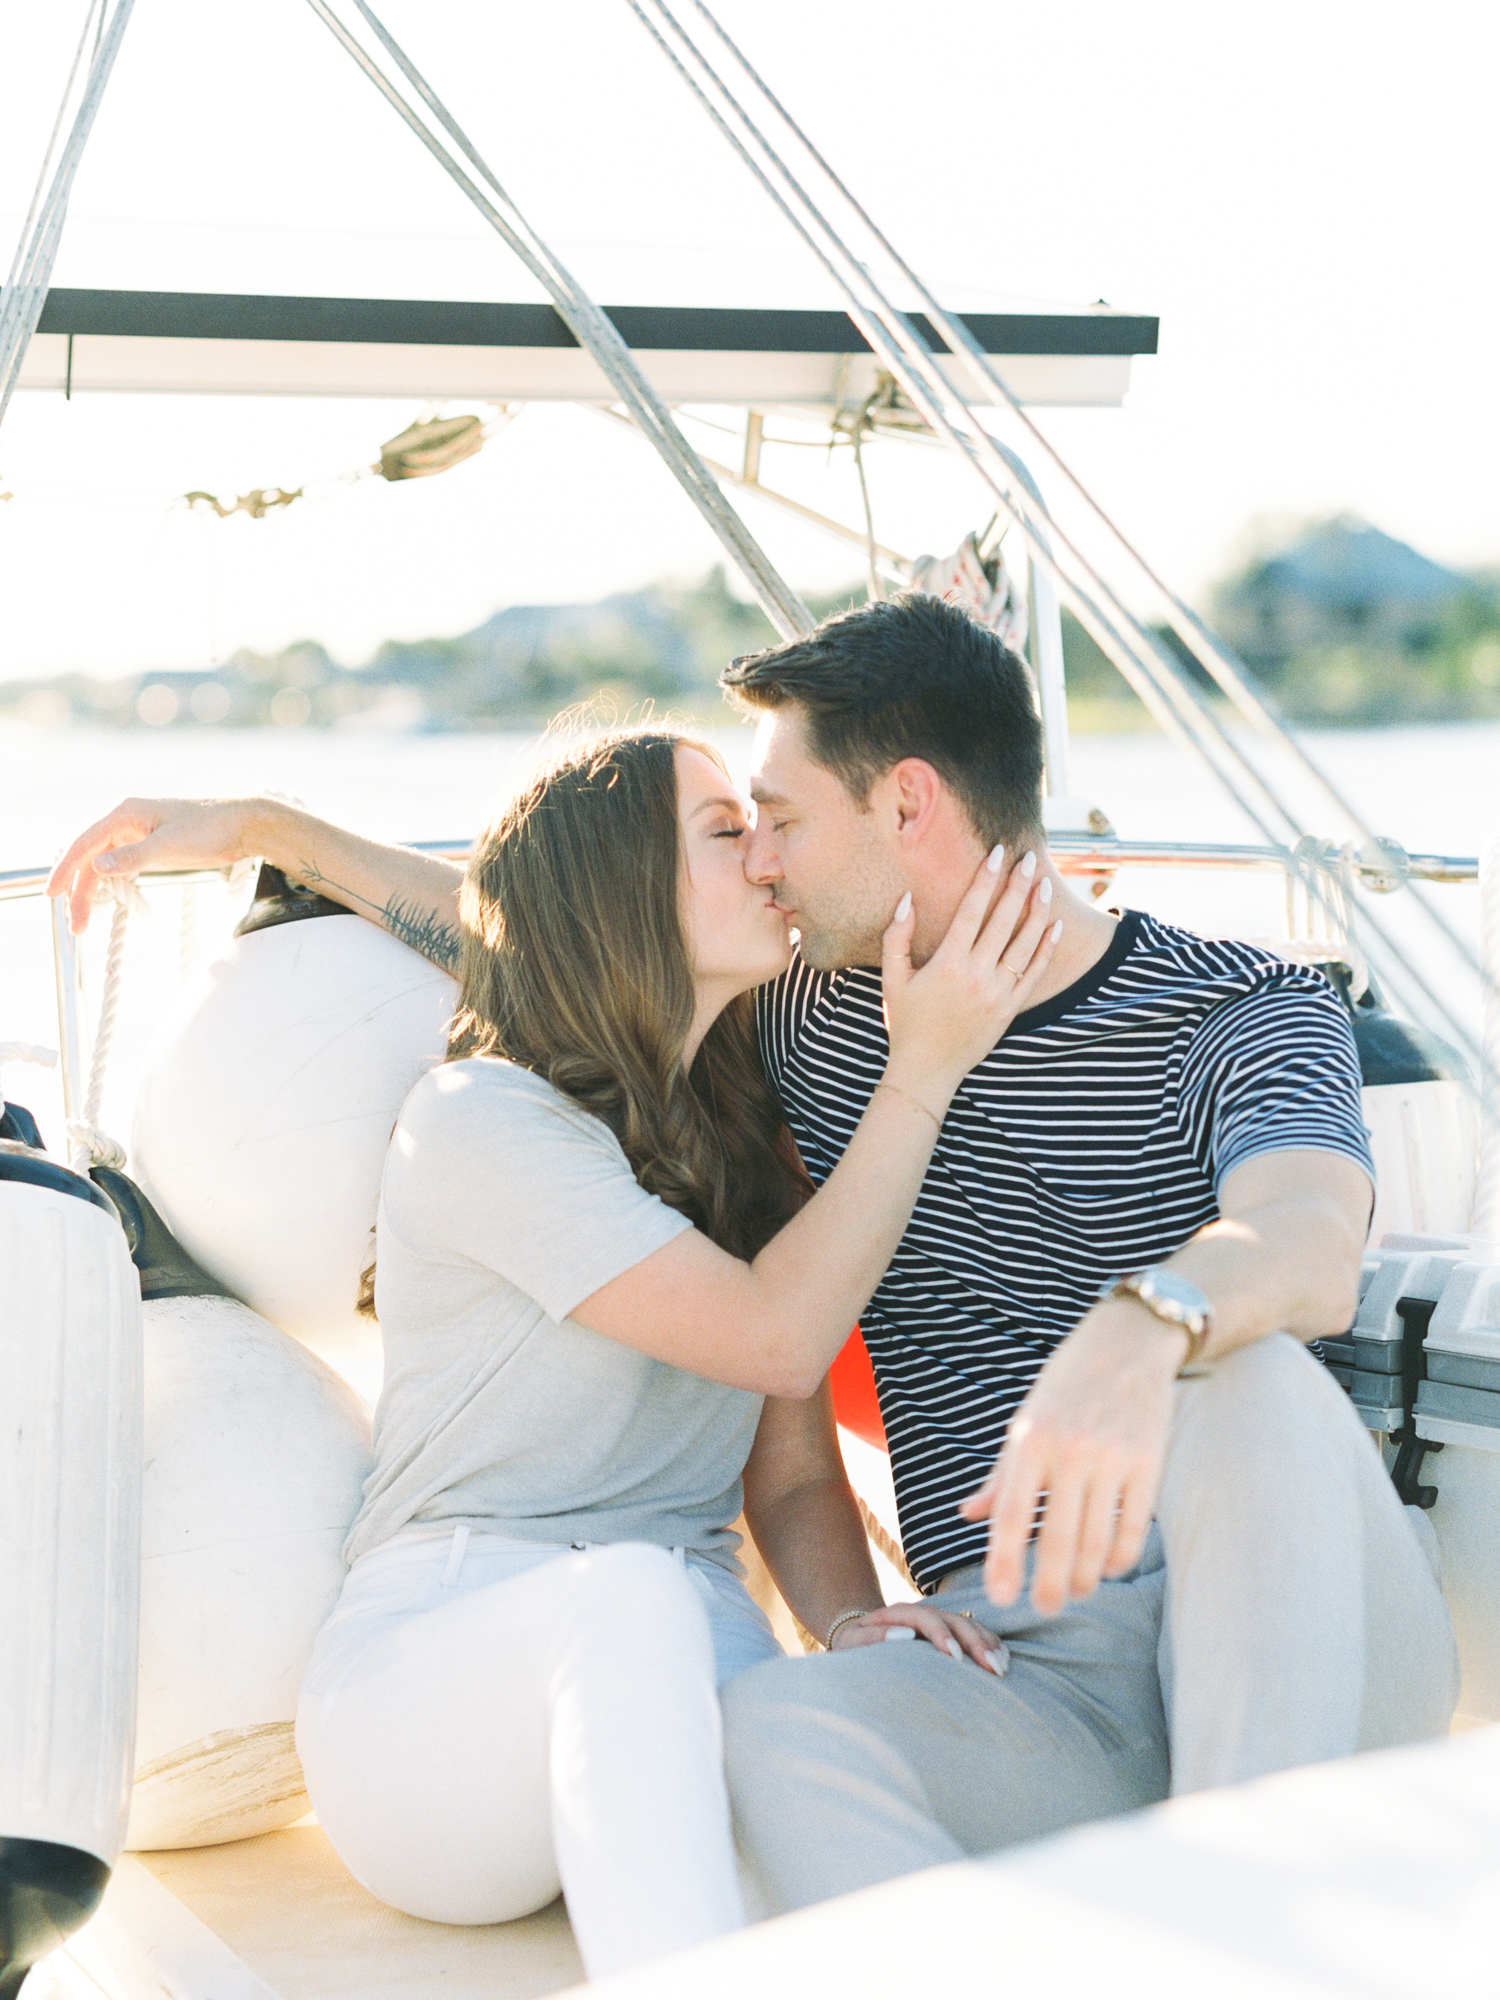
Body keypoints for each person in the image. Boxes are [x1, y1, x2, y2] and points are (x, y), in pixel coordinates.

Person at [50, 593, 1458, 1923]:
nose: (764, 860)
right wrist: (270, 827)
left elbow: (1310, 1237)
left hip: (1304, 1632)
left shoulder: (1237, 1002)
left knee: (1252, 1383)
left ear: (906, 803)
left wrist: (1147, 1327)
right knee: (775, 1722)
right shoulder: (805, 1023)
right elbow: (558, 933)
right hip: (1030, 1670)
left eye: (774, 815)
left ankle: (1250, 1933)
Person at [53, 724, 1056, 1978]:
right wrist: (926, 1071)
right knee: (630, 1595)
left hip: (681, 1657)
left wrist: (856, 1624)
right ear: (619, 892)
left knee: (846, 1774)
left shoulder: (754, 1147)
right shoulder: (484, 1121)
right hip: (433, 1705)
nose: (765, 860)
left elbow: (793, 1477)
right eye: (725, 831)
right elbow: (777, 1336)